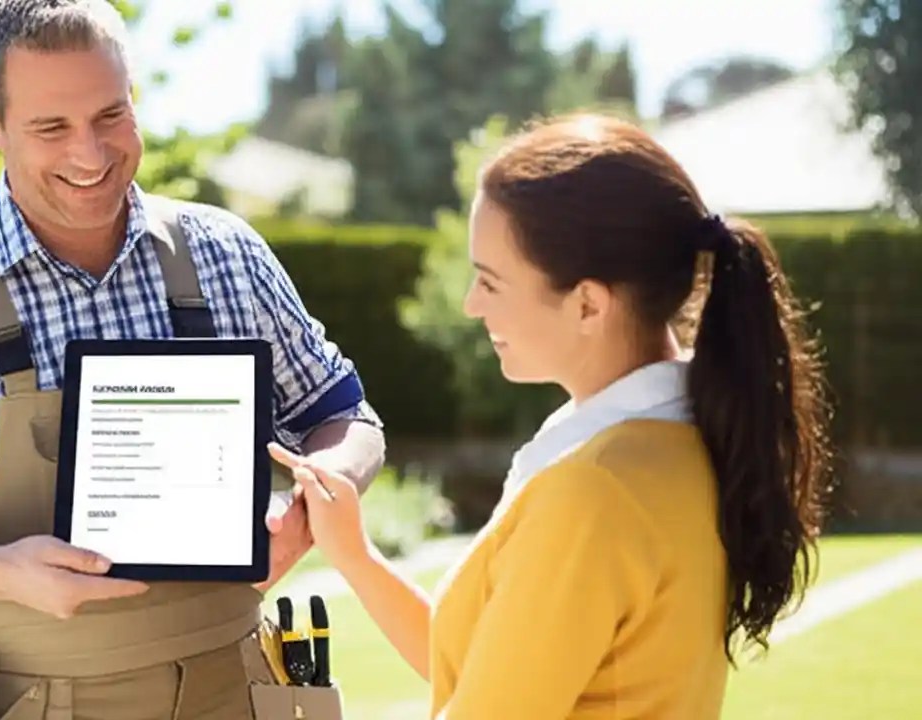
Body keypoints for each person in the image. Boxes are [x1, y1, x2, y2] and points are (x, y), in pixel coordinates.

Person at [0, 0, 384, 716]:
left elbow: (346, 419)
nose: (91, 154)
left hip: (242, 688)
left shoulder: (225, 254)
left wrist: (314, 501)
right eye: (52, 128)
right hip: (29, 698)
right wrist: (0, 572)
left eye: (111, 115)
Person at [269, 113, 833, 719]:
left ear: (587, 304)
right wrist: (355, 556)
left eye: (490, 282)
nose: (471, 305)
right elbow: (494, 672)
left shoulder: (595, 491)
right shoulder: (678, 441)